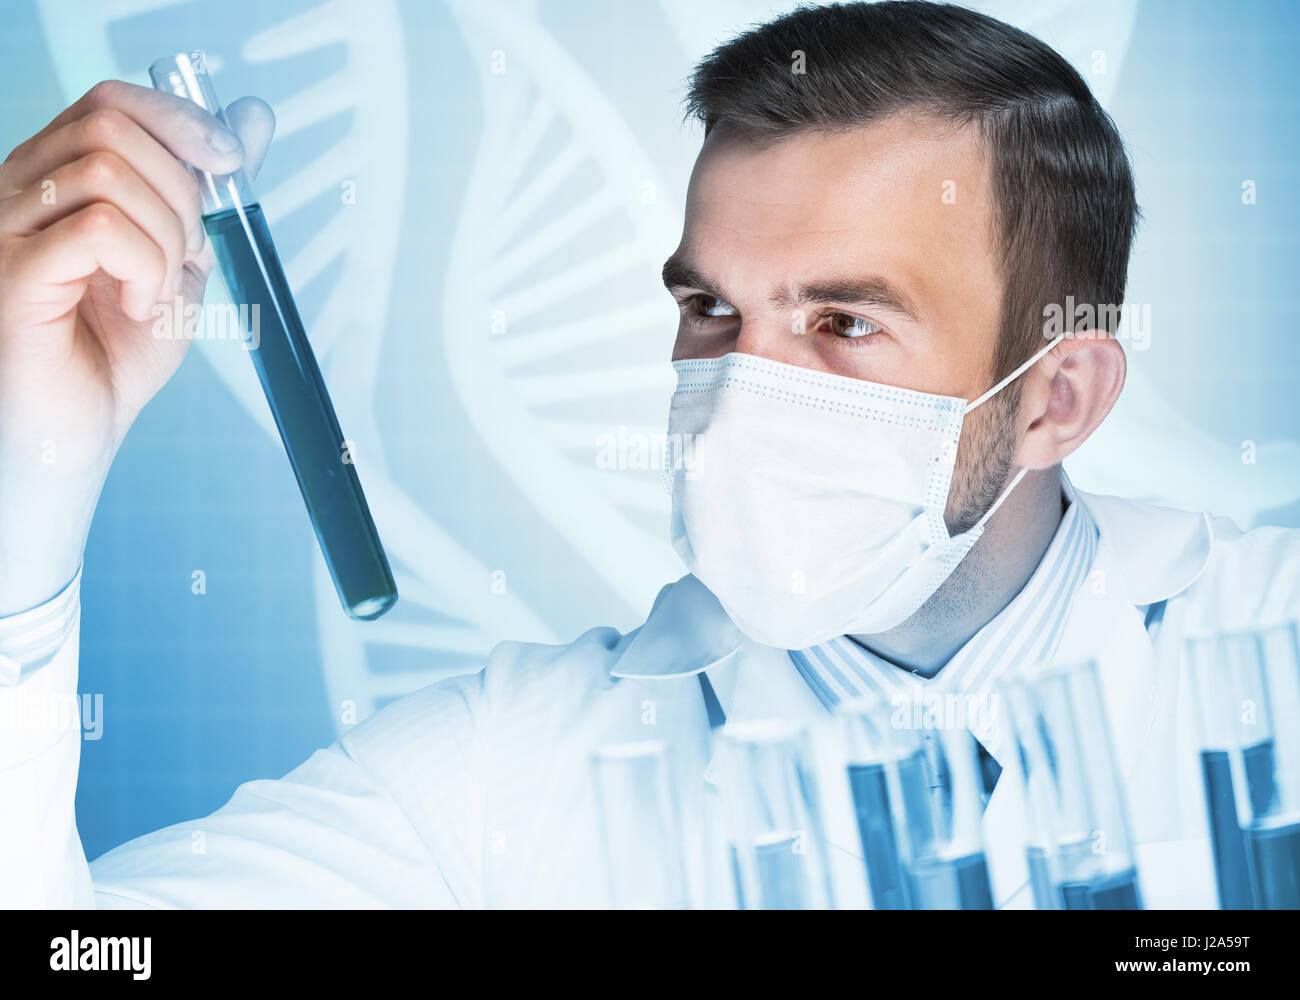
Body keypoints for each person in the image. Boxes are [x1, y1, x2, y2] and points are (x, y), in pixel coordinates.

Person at [1, 1, 1296, 909]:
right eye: (712, 311)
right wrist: (24, 497)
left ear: (1056, 397)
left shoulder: (1273, 650)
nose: (742, 396)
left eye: (844, 321)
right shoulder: (510, 775)